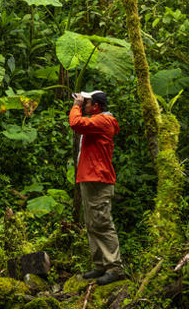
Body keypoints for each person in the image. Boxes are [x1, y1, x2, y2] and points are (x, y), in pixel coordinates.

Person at [68, 90, 124, 285]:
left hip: (99, 179)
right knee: (92, 223)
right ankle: (101, 265)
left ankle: (114, 267)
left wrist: (76, 105)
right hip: (90, 177)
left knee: (102, 222)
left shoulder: (104, 121)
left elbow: (76, 123)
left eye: (87, 102)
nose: (84, 105)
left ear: (97, 106)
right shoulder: (97, 121)